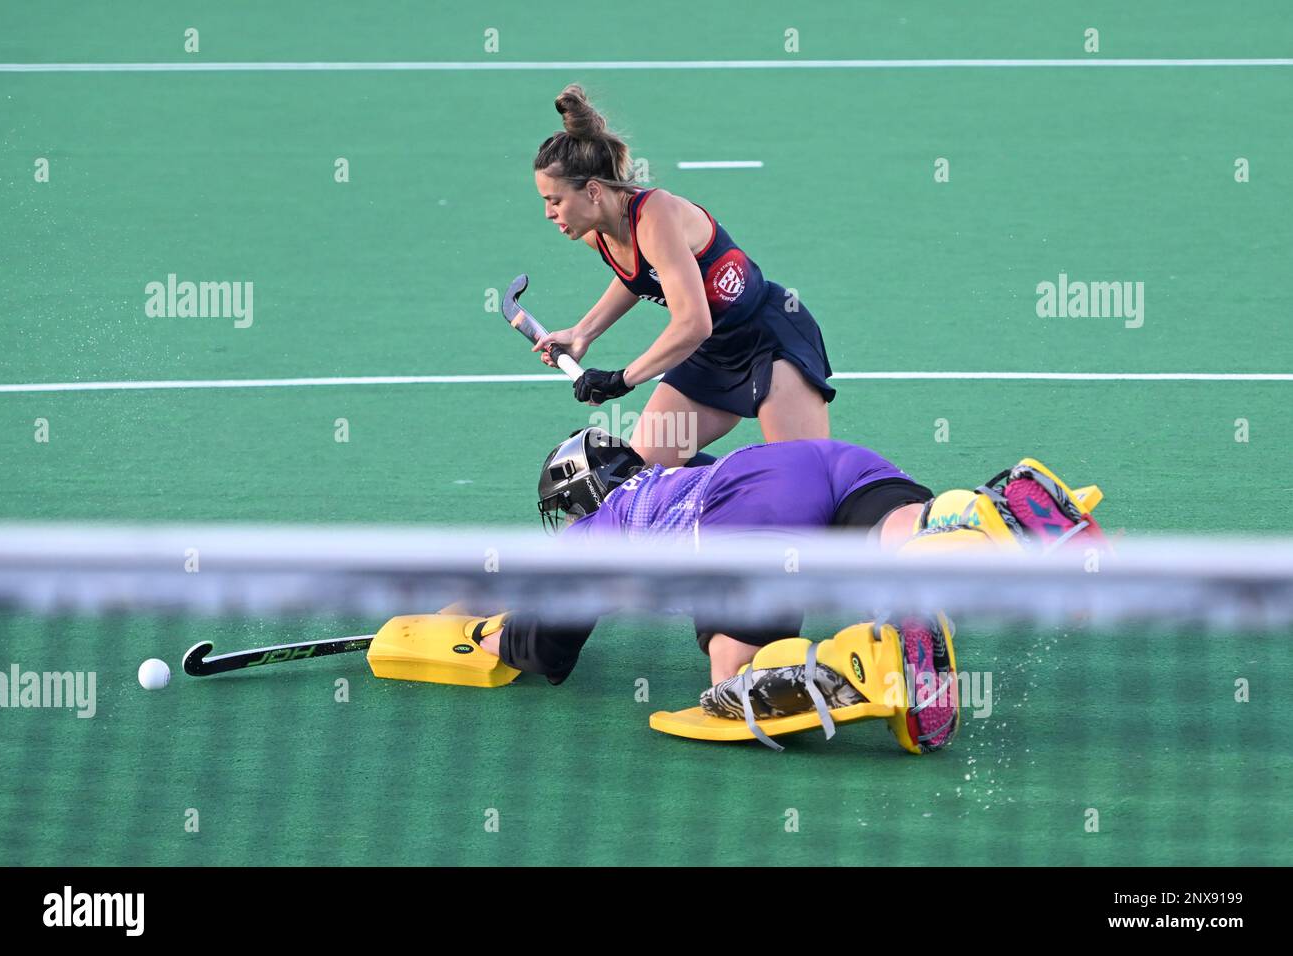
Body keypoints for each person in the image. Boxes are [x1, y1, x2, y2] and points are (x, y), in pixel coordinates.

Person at [423, 428, 1106, 753]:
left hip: (747, 523)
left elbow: (547, 633)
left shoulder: (601, 527)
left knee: (731, 680)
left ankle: (863, 662)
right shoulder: (680, 473)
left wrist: (487, 634)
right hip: (827, 463)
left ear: (579, 498)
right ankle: (972, 516)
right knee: (902, 538)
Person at [531, 84, 835, 467]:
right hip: (711, 356)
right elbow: (638, 276)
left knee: (802, 479)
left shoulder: (655, 214)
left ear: (592, 191)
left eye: (554, 200)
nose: (549, 213)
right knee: (646, 472)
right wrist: (583, 332)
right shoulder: (597, 234)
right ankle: (740, 485)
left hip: (770, 342)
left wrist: (623, 378)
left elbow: (693, 324)